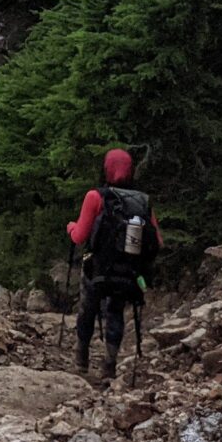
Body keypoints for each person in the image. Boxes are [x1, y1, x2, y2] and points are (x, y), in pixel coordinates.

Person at [66, 147, 161, 381]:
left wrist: (69, 227)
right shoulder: (142, 201)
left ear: (106, 169)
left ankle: (81, 359)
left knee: (88, 309)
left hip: (98, 270)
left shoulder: (95, 197)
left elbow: (79, 237)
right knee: (115, 311)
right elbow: (157, 241)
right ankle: (110, 363)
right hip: (128, 271)